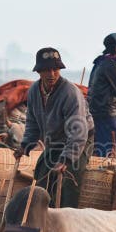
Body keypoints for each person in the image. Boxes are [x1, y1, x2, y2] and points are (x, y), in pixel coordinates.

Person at [14, 47, 93, 208]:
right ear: (39, 72)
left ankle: (68, 217)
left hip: (80, 140)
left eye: (55, 69)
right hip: (55, 140)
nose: (51, 74)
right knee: (42, 173)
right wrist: (25, 145)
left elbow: (78, 131)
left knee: (70, 177)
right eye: (47, 70)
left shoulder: (70, 93)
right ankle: (43, 214)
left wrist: (66, 159)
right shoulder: (34, 91)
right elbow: (32, 123)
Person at [87, 33, 116, 157]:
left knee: (99, 145)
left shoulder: (98, 63)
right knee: (110, 146)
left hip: (95, 110)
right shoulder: (111, 65)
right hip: (107, 112)